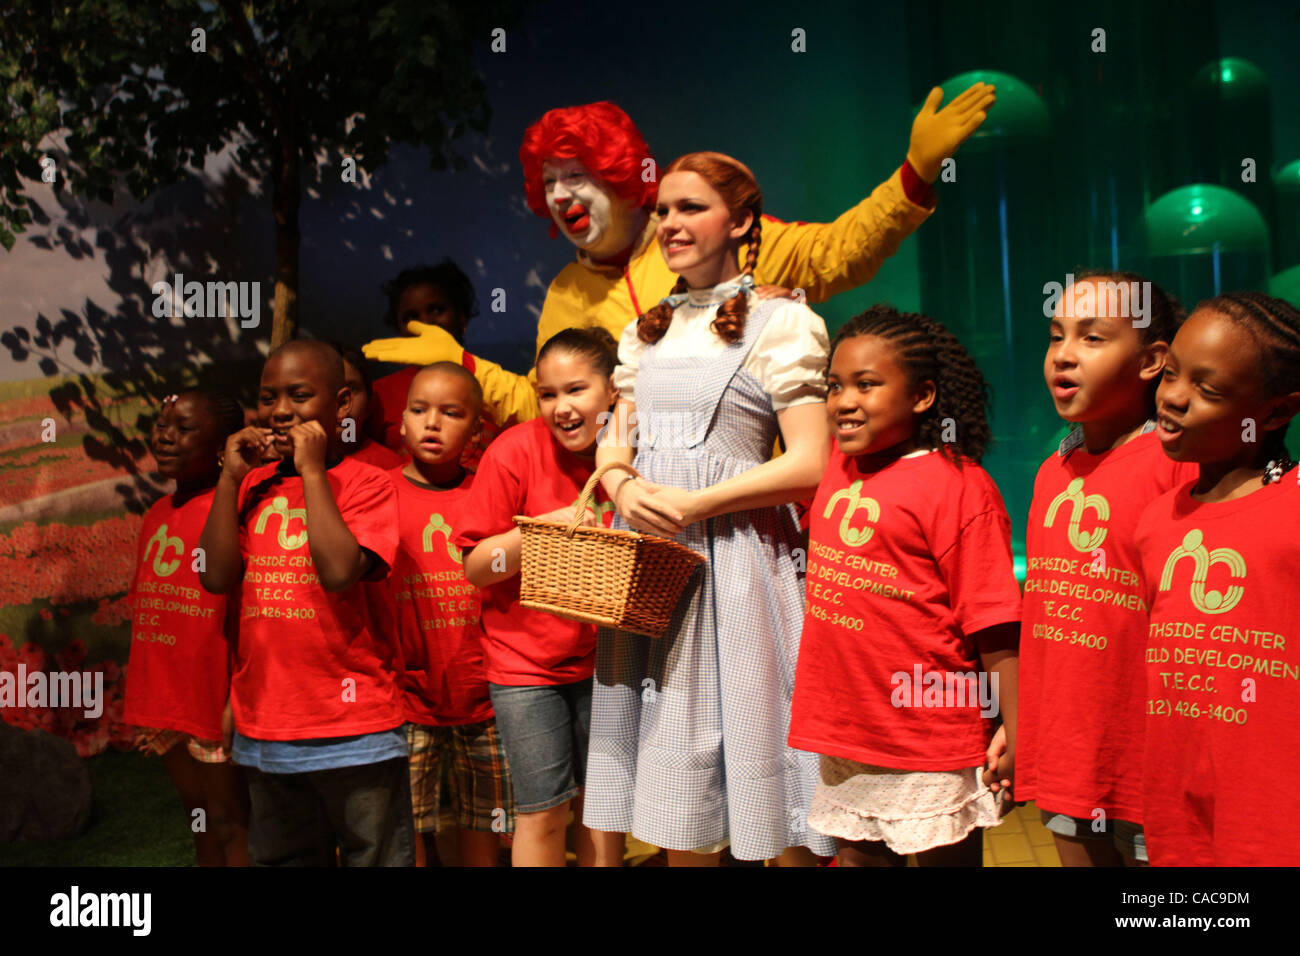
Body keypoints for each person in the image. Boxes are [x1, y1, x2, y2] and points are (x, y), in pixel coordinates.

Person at [363, 85, 996, 425]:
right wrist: (465, 367)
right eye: (549, 181)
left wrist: (913, 174)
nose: (561, 195)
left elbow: (840, 252)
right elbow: (549, 405)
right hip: (641, 511)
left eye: (577, 175)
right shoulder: (564, 293)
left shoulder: (727, 240)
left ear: (621, 178)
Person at [584, 152, 835, 865]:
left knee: (775, 778)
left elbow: (811, 462)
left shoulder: (782, 322)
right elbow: (614, 443)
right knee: (676, 803)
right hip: (657, 574)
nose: (669, 223)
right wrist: (624, 488)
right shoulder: (646, 331)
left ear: (742, 221)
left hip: (744, 569)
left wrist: (701, 499)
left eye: (690, 208)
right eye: (663, 210)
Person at [787, 307, 1021, 867]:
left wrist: (1018, 730)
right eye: (835, 385)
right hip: (848, 733)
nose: (844, 400)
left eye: (866, 385)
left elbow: (994, 622)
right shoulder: (839, 467)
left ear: (922, 397)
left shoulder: (960, 485)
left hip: (931, 740)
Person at [198, 340, 412, 866]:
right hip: (269, 730)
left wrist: (313, 472)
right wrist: (228, 479)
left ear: (340, 405)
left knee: (375, 855)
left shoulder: (369, 485)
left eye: (299, 395)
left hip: (355, 729)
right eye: (268, 397)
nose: (280, 411)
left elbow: (340, 573)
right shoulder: (253, 488)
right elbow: (215, 576)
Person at [1015, 271, 1191, 867]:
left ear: (1151, 360)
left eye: (1092, 338)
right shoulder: (1051, 471)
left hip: (1149, 764)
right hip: (1068, 755)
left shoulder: (1176, 469)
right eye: (1056, 334)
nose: (1063, 354)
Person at [1133, 291, 1300, 866]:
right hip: (1178, 811)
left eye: (1208, 390)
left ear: (1276, 412)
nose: (1173, 398)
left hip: (1278, 816)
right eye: (1172, 374)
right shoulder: (1157, 520)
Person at [453, 328, 621, 867]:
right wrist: (534, 535)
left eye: (576, 390)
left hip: (612, 662)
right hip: (526, 669)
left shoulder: (637, 448)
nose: (562, 408)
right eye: (548, 394)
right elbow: (476, 568)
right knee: (543, 811)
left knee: (604, 809)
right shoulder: (514, 450)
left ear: (614, 390)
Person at [381, 362, 514, 866]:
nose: (431, 423)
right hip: (406, 697)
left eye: (450, 413)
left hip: (486, 692)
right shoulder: (378, 493)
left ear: (477, 429)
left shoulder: (489, 492)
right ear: (402, 420)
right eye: (419, 410)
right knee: (404, 823)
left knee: (485, 822)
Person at [124, 389, 250, 866]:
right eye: (162, 425)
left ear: (223, 447)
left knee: (230, 820)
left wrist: (235, 699)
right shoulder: (157, 513)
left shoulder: (232, 512)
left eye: (184, 428)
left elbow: (242, 614)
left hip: (212, 701)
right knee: (196, 814)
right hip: (167, 700)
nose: (165, 437)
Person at [366, 262, 503, 467]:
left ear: (462, 319)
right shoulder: (379, 395)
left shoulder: (495, 384)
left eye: (437, 310)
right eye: (411, 317)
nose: (424, 323)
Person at [330, 342, 406, 470]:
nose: (343, 402)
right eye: (330, 388)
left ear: (368, 404)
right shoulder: (288, 460)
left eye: (351, 389)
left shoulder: (389, 467)